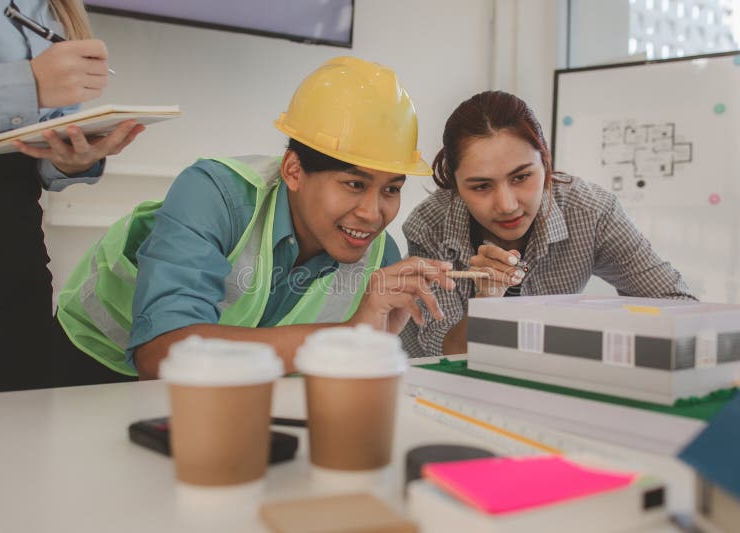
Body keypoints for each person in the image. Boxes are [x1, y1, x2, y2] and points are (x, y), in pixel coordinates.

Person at [52, 56, 456, 385]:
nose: (373, 213)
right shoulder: (215, 196)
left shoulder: (381, 257)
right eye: (353, 184)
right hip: (93, 366)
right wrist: (349, 337)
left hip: (227, 384)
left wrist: (375, 346)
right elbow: (159, 354)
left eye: (391, 189)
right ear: (293, 170)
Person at [400, 91, 695, 358]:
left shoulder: (590, 211)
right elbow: (445, 354)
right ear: (455, 186)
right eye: (481, 187)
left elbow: (680, 306)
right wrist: (486, 301)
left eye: (521, 177)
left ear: (546, 163)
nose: (507, 205)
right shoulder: (431, 227)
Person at [0, 0, 144, 392]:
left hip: (11, 237)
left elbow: (39, 144)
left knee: (20, 408)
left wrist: (74, 157)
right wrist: (27, 86)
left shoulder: (57, 8)